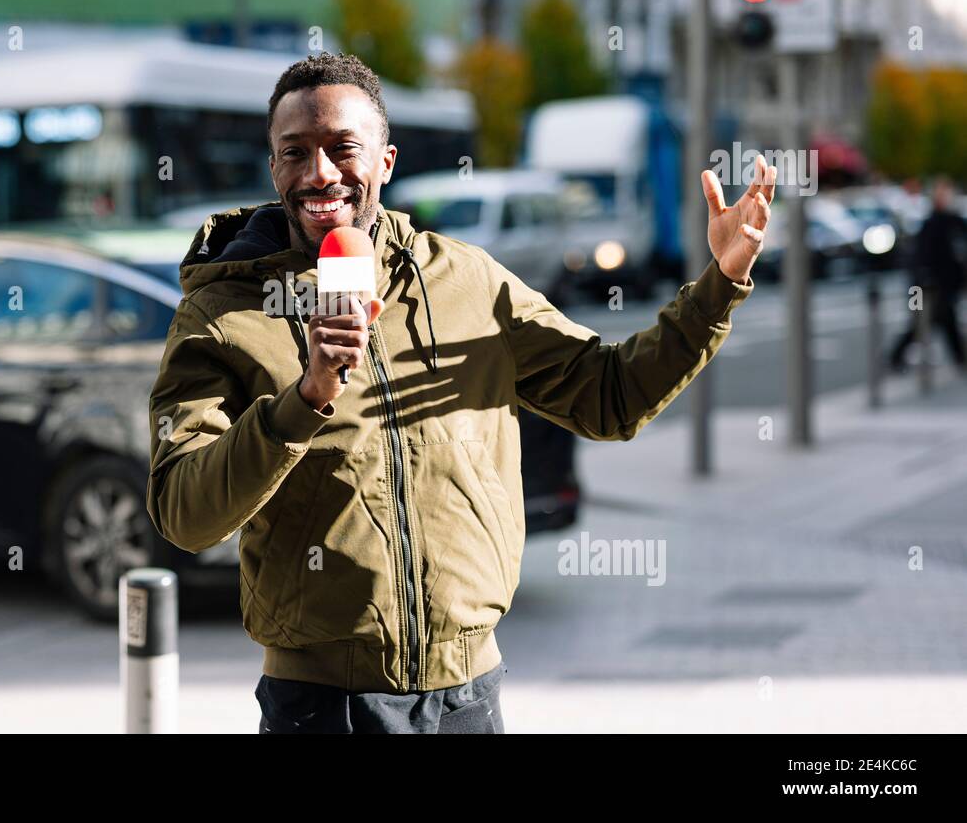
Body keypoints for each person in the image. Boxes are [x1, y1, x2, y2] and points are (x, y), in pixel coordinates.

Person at [146, 52, 773, 734]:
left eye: (341, 148)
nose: (319, 173)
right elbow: (185, 512)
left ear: (386, 161)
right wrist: (307, 395)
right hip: (324, 707)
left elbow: (609, 396)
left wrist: (719, 283)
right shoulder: (221, 314)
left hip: (466, 696)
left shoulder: (466, 281)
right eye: (294, 152)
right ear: (274, 168)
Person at [889, 177, 967, 374]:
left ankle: (960, 359)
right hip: (925, 287)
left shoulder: (954, 222)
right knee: (923, 323)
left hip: (942, 285)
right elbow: (922, 258)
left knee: (941, 322)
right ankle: (895, 358)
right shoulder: (932, 224)